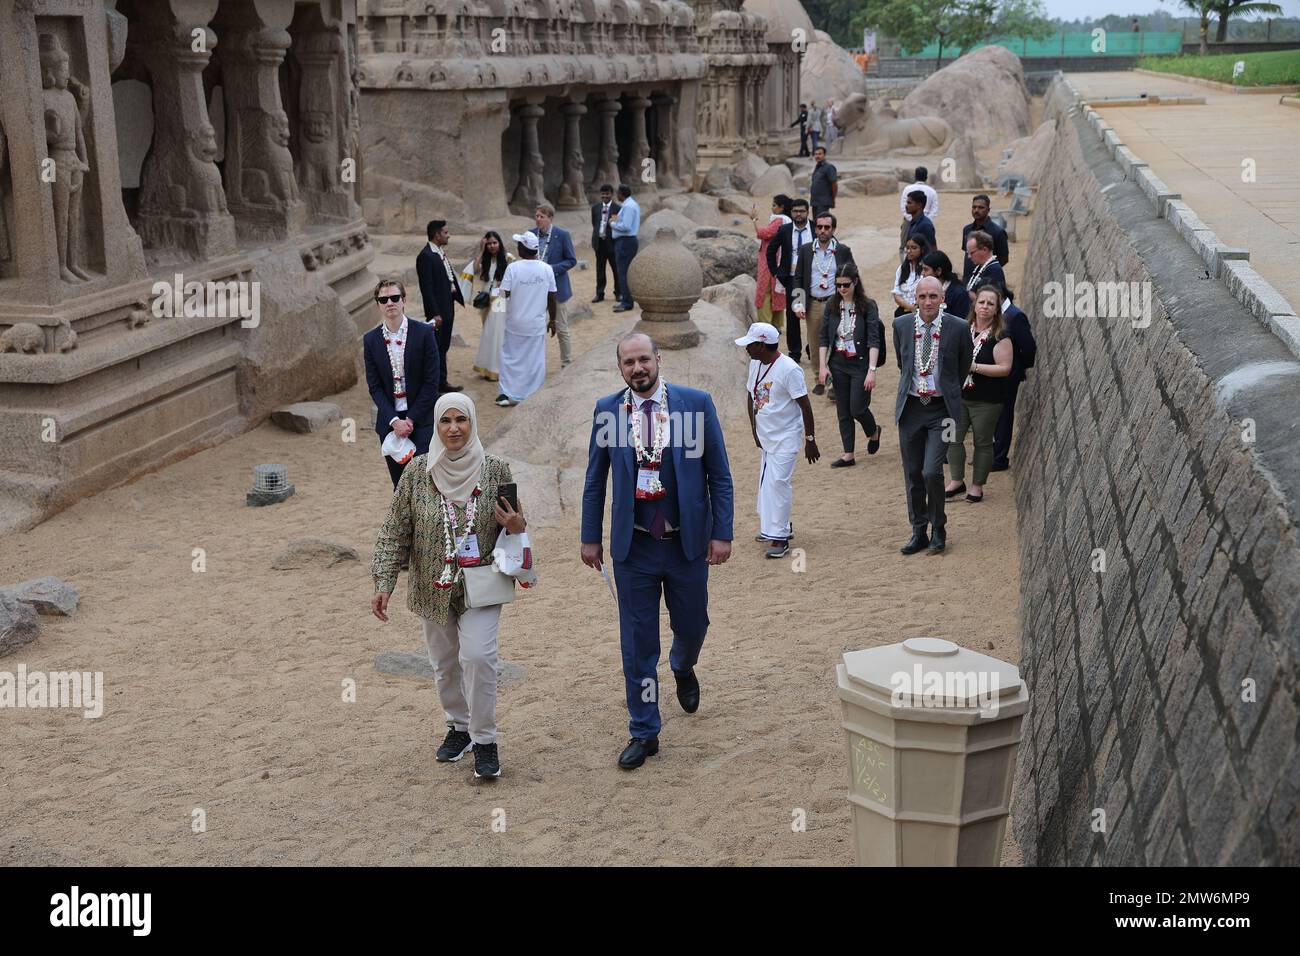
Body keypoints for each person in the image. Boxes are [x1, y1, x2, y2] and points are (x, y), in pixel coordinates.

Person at [580, 333, 734, 770]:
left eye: (643, 359)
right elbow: (595, 480)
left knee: (692, 626)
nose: (637, 368)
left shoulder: (695, 404)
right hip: (635, 549)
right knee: (637, 643)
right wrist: (590, 536)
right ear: (620, 368)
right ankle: (644, 731)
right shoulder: (608, 411)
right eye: (628, 362)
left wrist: (722, 533)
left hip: (686, 544)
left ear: (658, 360)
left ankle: (683, 667)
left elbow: (719, 476)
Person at [371, 393, 527, 780]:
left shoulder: (495, 470)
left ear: (472, 424)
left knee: (478, 658)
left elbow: (518, 524)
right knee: (444, 664)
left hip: (481, 585)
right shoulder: (417, 472)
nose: (454, 428)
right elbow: (395, 530)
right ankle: (460, 729)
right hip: (432, 584)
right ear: (436, 427)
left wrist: (517, 528)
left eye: (462, 420)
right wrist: (384, 581)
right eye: (446, 421)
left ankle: (486, 741)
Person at [892, 276, 973, 556]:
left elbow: (963, 365)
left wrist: (947, 390)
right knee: (913, 473)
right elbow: (903, 363)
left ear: (942, 298)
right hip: (911, 409)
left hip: (943, 411)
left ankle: (939, 527)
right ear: (915, 298)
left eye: (933, 297)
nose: (928, 302)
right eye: (923, 296)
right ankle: (918, 530)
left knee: (932, 471)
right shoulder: (901, 325)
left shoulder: (958, 327)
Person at [738, 322, 819, 558]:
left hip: (785, 437)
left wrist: (810, 439)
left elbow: (805, 405)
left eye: (750, 345)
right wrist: (755, 430)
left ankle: (780, 536)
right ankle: (771, 525)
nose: (746, 349)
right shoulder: (756, 363)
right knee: (765, 483)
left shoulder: (789, 369)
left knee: (777, 484)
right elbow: (751, 396)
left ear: (762, 345)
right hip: (767, 436)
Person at [363, 278, 443, 488]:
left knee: (426, 482)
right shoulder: (370, 340)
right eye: (383, 299)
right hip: (390, 425)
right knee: (401, 486)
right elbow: (375, 386)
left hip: (422, 420)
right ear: (378, 304)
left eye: (395, 297)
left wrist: (411, 419)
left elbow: (431, 382)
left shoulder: (424, 333)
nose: (390, 303)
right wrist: (394, 421)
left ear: (404, 300)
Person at [944, 283, 1013, 503]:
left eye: (990, 304)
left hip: (986, 400)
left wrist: (973, 367)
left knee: (982, 443)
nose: (984, 307)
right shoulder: (961, 328)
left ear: (997, 309)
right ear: (974, 304)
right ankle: (956, 480)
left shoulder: (1001, 335)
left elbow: (1004, 368)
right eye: (981, 302)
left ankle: (976, 486)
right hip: (958, 396)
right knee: (951, 438)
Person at [818, 263, 883, 468]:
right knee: (843, 410)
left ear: (855, 282)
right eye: (838, 285)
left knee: (857, 408)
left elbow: (874, 339)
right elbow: (823, 337)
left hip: (860, 363)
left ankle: (873, 431)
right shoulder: (831, 304)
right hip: (838, 362)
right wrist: (822, 366)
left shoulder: (868, 305)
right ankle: (849, 453)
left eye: (846, 285)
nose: (842, 289)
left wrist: (872, 371)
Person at [793, 211, 854, 391]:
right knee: (814, 342)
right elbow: (798, 277)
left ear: (833, 229)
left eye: (827, 227)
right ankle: (819, 378)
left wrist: (852, 301)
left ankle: (835, 381)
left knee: (838, 340)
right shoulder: (805, 250)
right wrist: (798, 303)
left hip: (836, 302)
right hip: (813, 303)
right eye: (819, 227)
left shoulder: (843, 251)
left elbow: (852, 275)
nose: (823, 231)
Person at [496, 232, 557, 407]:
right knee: (535, 359)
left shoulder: (513, 268)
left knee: (510, 358)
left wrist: (491, 293)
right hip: (536, 324)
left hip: (515, 323)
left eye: (519, 245)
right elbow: (552, 297)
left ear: (523, 248)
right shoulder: (547, 269)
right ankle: (533, 394)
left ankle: (507, 393)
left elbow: (503, 294)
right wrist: (553, 321)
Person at [991, 283, 1036, 472]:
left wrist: (1019, 369)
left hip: (1009, 374)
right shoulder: (997, 315)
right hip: (994, 372)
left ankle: (999, 458)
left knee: (1003, 414)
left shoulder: (1015, 316)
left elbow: (1029, 347)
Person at [416, 218, 464, 393]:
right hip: (438, 312)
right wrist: (435, 313)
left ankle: (441, 382)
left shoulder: (439, 252)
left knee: (443, 347)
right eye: (445, 233)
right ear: (437, 235)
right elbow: (426, 288)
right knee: (435, 349)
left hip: (447, 307)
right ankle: (432, 386)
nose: (448, 235)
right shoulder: (425, 256)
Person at [459, 231, 512, 382]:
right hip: (486, 301)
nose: (492, 246)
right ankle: (488, 367)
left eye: (494, 242)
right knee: (488, 333)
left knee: (496, 333)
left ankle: (496, 369)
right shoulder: (485, 260)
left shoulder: (508, 258)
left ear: (500, 243)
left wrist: (499, 292)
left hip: (500, 301)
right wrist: (481, 251)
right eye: (489, 243)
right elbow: (475, 270)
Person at [765, 198, 813, 362]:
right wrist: (776, 273)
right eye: (795, 211)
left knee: (814, 315)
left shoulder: (815, 228)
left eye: (802, 211)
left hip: (813, 279)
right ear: (790, 212)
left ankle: (811, 348)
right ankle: (795, 352)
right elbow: (770, 251)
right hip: (792, 280)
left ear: (808, 211)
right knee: (793, 318)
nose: (798, 214)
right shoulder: (784, 230)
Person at [531, 203, 578, 367]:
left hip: (557, 288)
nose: (538, 219)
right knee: (535, 329)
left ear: (550, 218)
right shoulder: (530, 234)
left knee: (562, 328)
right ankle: (536, 363)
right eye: (536, 216)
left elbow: (572, 260)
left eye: (541, 217)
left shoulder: (562, 235)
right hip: (535, 290)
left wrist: (550, 269)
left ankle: (567, 362)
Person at [750, 195, 792, 328]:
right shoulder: (785, 220)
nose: (772, 207)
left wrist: (754, 219)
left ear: (781, 207)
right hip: (777, 259)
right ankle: (776, 324)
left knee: (765, 291)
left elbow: (765, 233)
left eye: (774, 205)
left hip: (770, 260)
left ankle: (765, 324)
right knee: (777, 291)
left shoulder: (779, 220)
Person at [960, 195, 1010, 278]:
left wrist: (986, 270)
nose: (976, 210)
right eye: (974, 207)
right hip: (969, 278)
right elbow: (967, 254)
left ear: (988, 210)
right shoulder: (967, 230)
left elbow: (1004, 259)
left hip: (987, 279)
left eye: (981, 208)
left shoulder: (998, 232)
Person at [611, 184, 641, 313]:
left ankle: (626, 302)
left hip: (625, 241)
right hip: (626, 241)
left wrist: (612, 224)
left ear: (622, 194)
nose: (617, 195)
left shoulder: (629, 206)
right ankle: (627, 300)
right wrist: (615, 219)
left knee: (623, 272)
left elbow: (626, 226)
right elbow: (623, 221)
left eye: (618, 193)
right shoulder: (629, 205)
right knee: (624, 271)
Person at [590, 183, 622, 303]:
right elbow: (595, 223)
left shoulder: (617, 209)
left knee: (616, 269)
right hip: (599, 243)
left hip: (612, 244)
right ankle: (600, 293)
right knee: (600, 269)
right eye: (603, 194)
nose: (605, 196)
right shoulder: (595, 208)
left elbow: (617, 225)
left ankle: (618, 293)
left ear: (612, 194)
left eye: (607, 194)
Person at [920, 249, 970, 319]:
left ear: (938, 271)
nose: (922, 273)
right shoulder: (924, 290)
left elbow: (961, 323)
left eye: (926, 269)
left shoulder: (959, 294)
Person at [892, 234, 931, 317]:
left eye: (914, 248)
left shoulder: (927, 269)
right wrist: (910, 307)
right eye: (908, 248)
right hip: (904, 311)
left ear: (922, 249)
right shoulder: (902, 269)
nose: (909, 251)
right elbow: (897, 294)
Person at [901, 190, 936, 259]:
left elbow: (932, 248)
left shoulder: (925, 225)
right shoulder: (912, 222)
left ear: (919, 205)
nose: (906, 205)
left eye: (909, 203)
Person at [809, 146, 837, 220]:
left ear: (824, 155)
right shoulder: (817, 167)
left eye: (820, 154)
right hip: (815, 201)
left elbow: (834, 183)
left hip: (823, 201)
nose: (817, 156)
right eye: (816, 154)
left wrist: (833, 198)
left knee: (821, 221)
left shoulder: (829, 167)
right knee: (815, 222)